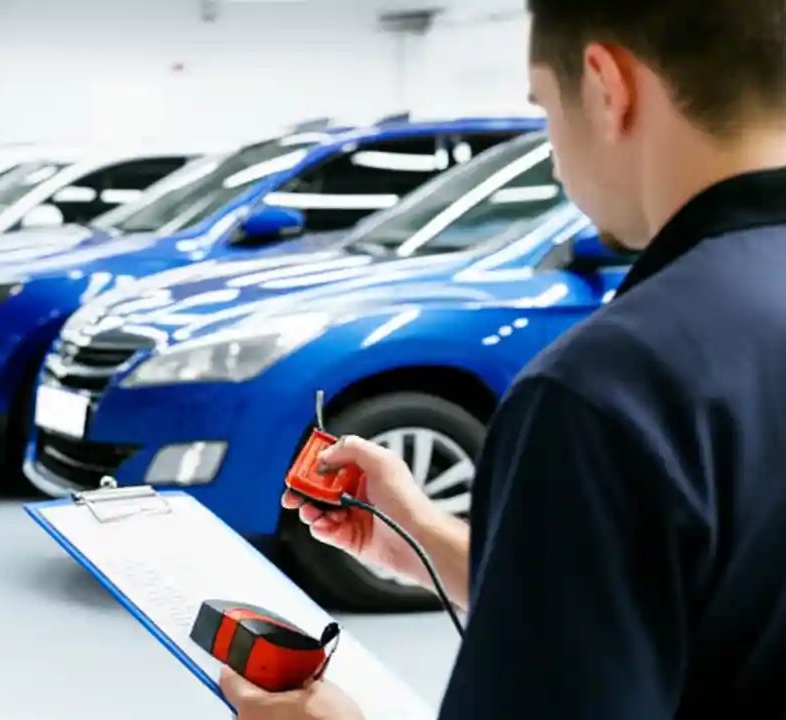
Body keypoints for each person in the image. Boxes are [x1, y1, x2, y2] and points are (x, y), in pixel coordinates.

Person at [220, 0, 786, 717]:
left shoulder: (609, 388)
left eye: (546, 107)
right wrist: (427, 541)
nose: (553, 150)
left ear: (607, 85)